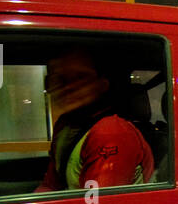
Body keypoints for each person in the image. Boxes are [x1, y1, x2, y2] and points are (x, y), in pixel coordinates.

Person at [36, 48, 154, 192]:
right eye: (58, 79)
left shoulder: (111, 132)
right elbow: (51, 184)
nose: (68, 87)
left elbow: (96, 202)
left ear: (101, 85)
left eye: (80, 77)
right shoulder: (65, 125)